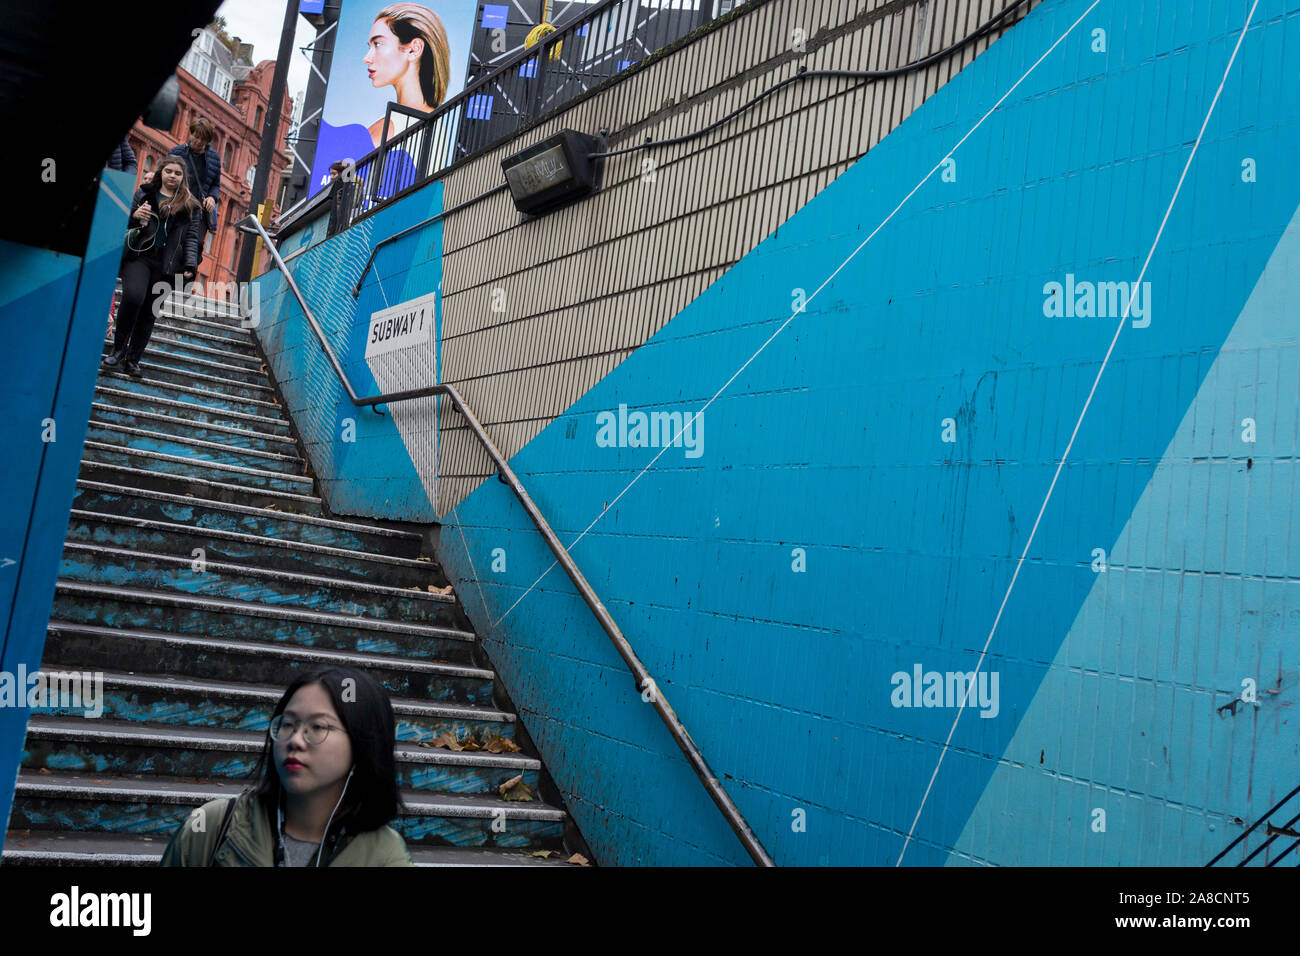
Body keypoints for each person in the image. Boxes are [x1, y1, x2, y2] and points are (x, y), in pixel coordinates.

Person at [159, 667, 413, 867]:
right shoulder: (215, 826)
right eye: (288, 724)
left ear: (362, 744)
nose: (294, 740)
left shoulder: (386, 856)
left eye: (318, 727)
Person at [103, 156, 200, 377]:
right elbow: (122, 221)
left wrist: (190, 264)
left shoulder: (190, 205)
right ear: (161, 173)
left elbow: (192, 237)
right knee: (133, 297)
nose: (172, 176)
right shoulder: (144, 193)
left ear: (183, 177)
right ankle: (117, 351)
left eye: (177, 173)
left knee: (149, 311)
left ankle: (133, 360)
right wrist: (134, 216)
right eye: (169, 171)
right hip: (140, 256)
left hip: (167, 264)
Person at [363, 3, 451, 147]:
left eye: (378, 44)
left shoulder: (393, 127)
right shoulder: (434, 124)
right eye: (370, 47)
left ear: (414, 50)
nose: (366, 58)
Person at [167, 116, 221, 236]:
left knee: (196, 245)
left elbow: (215, 184)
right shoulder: (176, 153)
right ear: (190, 134)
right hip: (176, 208)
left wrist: (212, 197)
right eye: (196, 137)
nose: (198, 141)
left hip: (199, 212)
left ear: (208, 140)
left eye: (203, 139)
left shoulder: (214, 158)